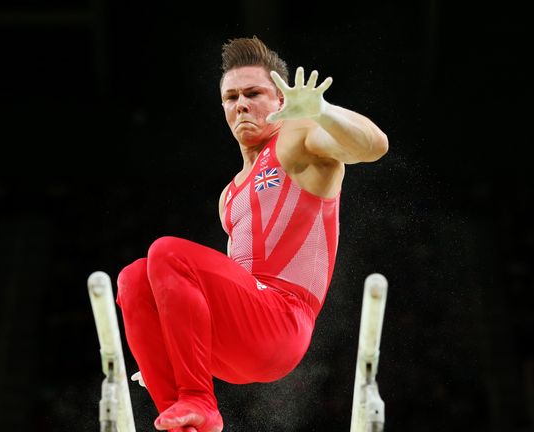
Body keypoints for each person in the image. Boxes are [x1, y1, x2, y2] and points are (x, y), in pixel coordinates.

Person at [115, 36, 388, 432]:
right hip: (240, 342)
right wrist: (163, 347)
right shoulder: (229, 195)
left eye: (253, 93)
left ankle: (198, 400)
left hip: (283, 323)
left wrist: (323, 112)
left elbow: (374, 146)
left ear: (280, 100)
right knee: (133, 279)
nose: (240, 103)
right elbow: (221, 293)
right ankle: (180, 416)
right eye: (230, 97)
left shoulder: (297, 140)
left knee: (167, 252)